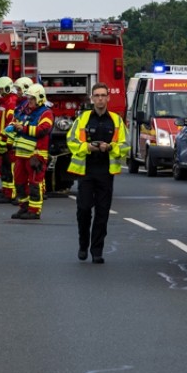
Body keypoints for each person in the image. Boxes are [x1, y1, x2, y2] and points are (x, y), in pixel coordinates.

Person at [67, 83, 127, 262]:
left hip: (105, 173)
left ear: (108, 98)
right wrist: (87, 147)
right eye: (97, 95)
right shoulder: (83, 119)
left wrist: (110, 147)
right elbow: (71, 140)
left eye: (103, 95)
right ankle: (83, 244)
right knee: (84, 209)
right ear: (92, 98)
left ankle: (97, 251)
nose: (100, 98)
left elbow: (126, 145)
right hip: (86, 171)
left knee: (102, 213)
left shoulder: (116, 120)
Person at [11, 83, 54, 220]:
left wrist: (22, 128)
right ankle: (23, 207)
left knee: (35, 183)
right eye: (28, 99)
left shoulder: (46, 113)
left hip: (36, 155)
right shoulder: (24, 111)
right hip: (21, 154)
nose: (29, 102)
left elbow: (43, 130)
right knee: (19, 182)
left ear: (40, 99)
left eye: (32, 99)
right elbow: (16, 124)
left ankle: (34, 211)